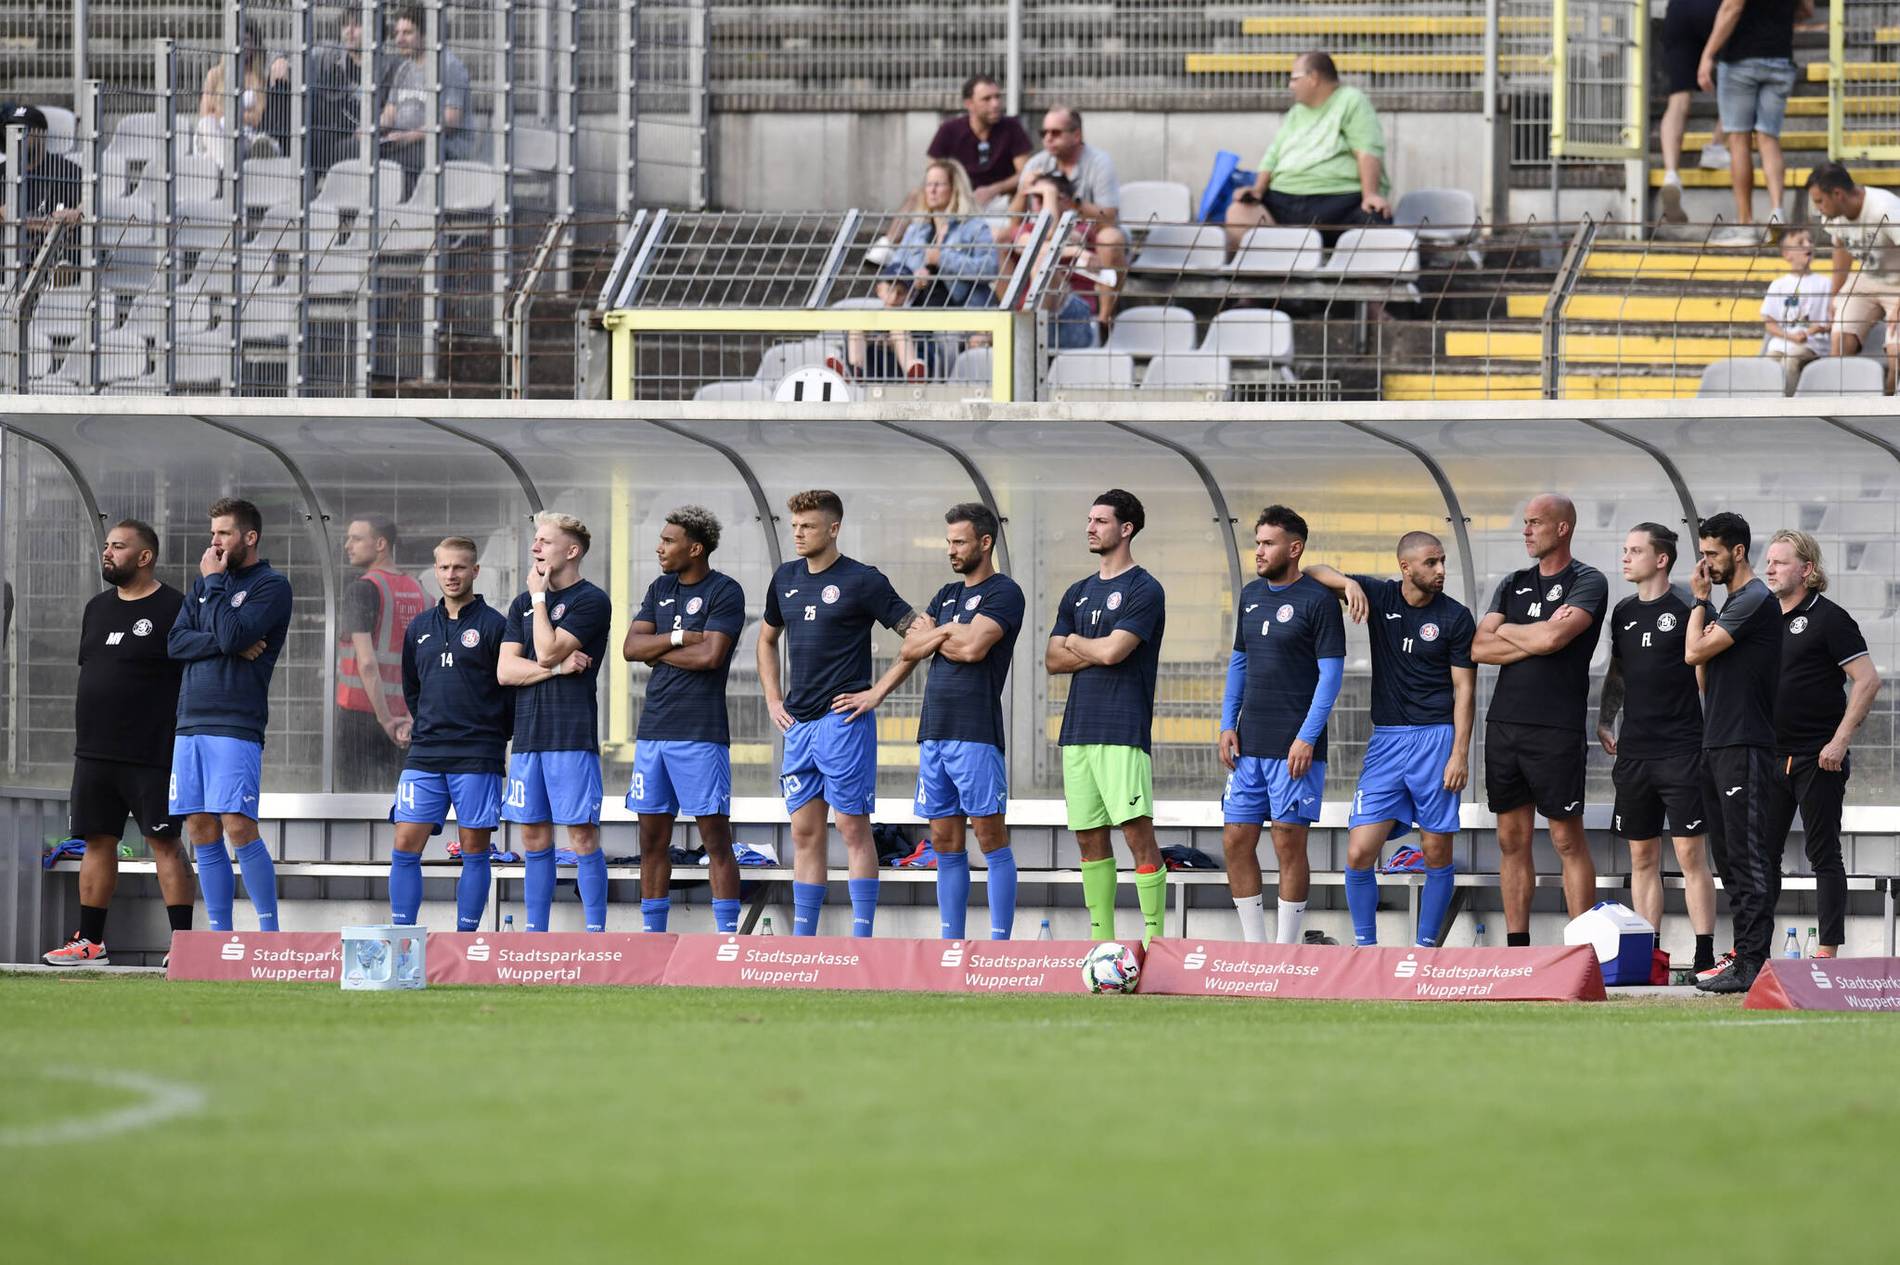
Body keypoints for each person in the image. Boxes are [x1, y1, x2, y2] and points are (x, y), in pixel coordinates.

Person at [758, 491, 927, 937]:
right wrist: (773, 699)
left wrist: (877, 692)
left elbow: (919, 634)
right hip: (798, 724)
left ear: (833, 529)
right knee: (804, 833)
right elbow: (766, 639)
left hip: (844, 722)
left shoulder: (862, 580)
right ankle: (803, 941)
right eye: (795, 526)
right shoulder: (785, 577)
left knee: (853, 828)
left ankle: (861, 939)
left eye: (808, 526)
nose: (798, 534)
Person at [1306, 533, 1476, 949]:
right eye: (1431, 562)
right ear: (1406, 567)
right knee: (1359, 852)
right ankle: (1366, 949)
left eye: (1442, 561)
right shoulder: (1380, 595)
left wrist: (1459, 754)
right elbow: (1311, 571)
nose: (1441, 570)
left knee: (1436, 852)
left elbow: (1465, 690)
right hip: (1387, 741)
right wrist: (1348, 584)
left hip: (1436, 740)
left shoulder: (1455, 616)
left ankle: (1424, 950)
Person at [44, 521, 189, 966]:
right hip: (94, 752)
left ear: (145, 557)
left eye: (119, 546)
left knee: (164, 843)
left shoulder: (175, 607)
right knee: (97, 841)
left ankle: (184, 947)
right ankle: (90, 943)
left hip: (151, 753)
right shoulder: (97, 608)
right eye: (107, 545)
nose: (107, 552)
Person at [1471, 494, 1608, 944]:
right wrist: (1536, 632)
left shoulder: (1587, 580)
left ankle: (1582, 950)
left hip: (1556, 728)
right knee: (1511, 840)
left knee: (1567, 840)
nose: (1526, 531)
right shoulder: (1513, 582)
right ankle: (1518, 948)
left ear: (1562, 528)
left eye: (1535, 523)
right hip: (1505, 725)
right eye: (1525, 522)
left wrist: (1509, 630)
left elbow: (1553, 641)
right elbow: (1478, 647)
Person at [1216, 506, 1345, 945]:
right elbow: (1239, 662)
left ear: (1294, 548)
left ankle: (1286, 948)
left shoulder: (1318, 601)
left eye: (1268, 543)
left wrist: (1307, 736)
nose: (1259, 551)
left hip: (1294, 747)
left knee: (1288, 841)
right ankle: (1256, 947)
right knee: (1236, 839)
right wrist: (1227, 724)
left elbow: (1330, 676)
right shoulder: (1250, 595)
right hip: (1248, 744)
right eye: (1257, 542)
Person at [1594, 523, 1718, 979]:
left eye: (1635, 550)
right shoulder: (1623, 611)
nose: (1625, 558)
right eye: (1625, 550)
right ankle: (1650, 955)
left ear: (1661, 559)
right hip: (1635, 753)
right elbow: (1619, 673)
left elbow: (1709, 676)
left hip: (1682, 749)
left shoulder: (1690, 606)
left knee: (1690, 857)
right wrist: (1606, 718)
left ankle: (1704, 957)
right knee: (1642, 859)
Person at [1046, 489, 1168, 946]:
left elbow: (1115, 652)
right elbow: (1052, 659)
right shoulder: (1077, 591)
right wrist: (1093, 648)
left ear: (1126, 528)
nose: (1090, 527)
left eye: (1100, 520)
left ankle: (1154, 942)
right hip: (1077, 732)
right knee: (1088, 839)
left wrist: (1077, 642)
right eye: (1089, 520)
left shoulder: (1144, 588)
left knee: (1137, 834)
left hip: (1121, 730)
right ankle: (1103, 943)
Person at [899, 502, 1025, 940]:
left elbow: (973, 649)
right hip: (934, 731)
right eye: (948, 542)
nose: (950, 550)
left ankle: (999, 943)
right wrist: (952, 630)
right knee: (943, 841)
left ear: (985, 543)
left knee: (990, 837)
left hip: (976, 733)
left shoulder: (1004, 592)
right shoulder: (946, 594)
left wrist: (939, 635)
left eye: (959, 542)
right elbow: (909, 649)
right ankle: (950, 943)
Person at [166, 497, 292, 933]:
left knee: (237, 825)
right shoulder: (203, 584)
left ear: (249, 537)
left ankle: (269, 934)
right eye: (213, 533)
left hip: (235, 722)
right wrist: (225, 642)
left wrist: (217, 590)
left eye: (223, 533)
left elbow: (234, 632)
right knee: (200, 827)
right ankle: (220, 936)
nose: (214, 542)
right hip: (190, 722)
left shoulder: (271, 586)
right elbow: (175, 643)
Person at [622, 507, 747, 934]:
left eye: (668, 540)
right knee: (651, 841)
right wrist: (677, 638)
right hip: (653, 732)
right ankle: (652, 937)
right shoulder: (660, 587)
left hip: (700, 733)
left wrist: (657, 651)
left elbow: (710, 656)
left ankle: (726, 936)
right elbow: (630, 648)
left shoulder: (724, 591)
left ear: (694, 548)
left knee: (716, 841)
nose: (659, 547)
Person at [1761, 530, 1880, 959]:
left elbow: (1868, 681)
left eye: (1780, 562)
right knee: (1762, 857)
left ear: (1807, 570)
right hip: (1769, 757)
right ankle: (1754, 951)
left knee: (1823, 854)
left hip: (1818, 758)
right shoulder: (1762, 618)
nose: (1769, 569)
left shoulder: (1830, 618)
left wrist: (1839, 741)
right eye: (1768, 561)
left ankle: (1827, 952)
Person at [388, 537, 512, 931]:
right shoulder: (420, 627)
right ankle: (404, 938)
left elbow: (509, 692)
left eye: (459, 567)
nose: (451, 575)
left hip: (477, 755)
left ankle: (465, 940)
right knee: (404, 845)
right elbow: (412, 687)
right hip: (425, 753)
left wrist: (491, 734)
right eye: (444, 567)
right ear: (435, 571)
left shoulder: (495, 625)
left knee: (474, 851)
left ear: (475, 571)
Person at [498, 511, 612, 932]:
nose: (535, 548)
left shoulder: (591, 600)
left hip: (571, 736)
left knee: (581, 835)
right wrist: (559, 670)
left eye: (545, 541)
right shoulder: (520, 604)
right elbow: (505, 672)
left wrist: (540, 600)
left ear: (572, 550)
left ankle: (596, 935)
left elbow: (545, 650)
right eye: (536, 540)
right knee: (533, 837)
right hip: (528, 737)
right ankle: (536, 934)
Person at [1684, 512, 1782, 993]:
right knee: (1727, 857)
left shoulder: (1755, 599)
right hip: (1718, 741)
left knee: (1747, 856)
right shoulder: (1730, 607)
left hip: (1745, 743)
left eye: (1712, 553)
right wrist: (1706, 613)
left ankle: (1753, 960)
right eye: (1702, 554)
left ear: (1738, 551)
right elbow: (1701, 675)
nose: (1705, 563)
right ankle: (1743, 956)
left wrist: (1700, 602)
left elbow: (1692, 653)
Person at [834, 158, 999, 381]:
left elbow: (989, 267)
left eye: (938, 184)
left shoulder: (974, 227)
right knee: (864, 324)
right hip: (915, 305)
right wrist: (911, 278)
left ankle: (905, 368)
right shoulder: (917, 229)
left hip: (954, 307)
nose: (931, 190)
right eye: (928, 184)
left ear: (955, 188)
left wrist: (943, 259)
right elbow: (896, 268)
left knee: (897, 330)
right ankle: (852, 369)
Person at [1223, 51, 1392, 254]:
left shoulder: (1351, 100)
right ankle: (1277, 265)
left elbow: (1366, 149)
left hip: (1338, 203)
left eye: (1294, 79)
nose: (1290, 86)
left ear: (1313, 78)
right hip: (1283, 202)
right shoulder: (1295, 113)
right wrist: (1257, 190)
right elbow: (1272, 156)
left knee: (1376, 220)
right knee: (1240, 212)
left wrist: (1370, 194)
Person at [1698, 0, 1809, 244]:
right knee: (1769, 138)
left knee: (1739, 139)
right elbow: (1807, 8)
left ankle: (1745, 225)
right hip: (1780, 58)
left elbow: (1732, 7)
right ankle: (1777, 211)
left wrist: (1707, 54)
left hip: (1740, 59)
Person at [1011, 107, 1127, 328]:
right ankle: (1007, 313)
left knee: (1110, 238)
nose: (1048, 138)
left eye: (1055, 132)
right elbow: (1014, 222)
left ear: (1076, 135)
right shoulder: (1037, 163)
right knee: (1002, 238)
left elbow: (1109, 217)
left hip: (1092, 229)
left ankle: (1105, 318)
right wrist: (1023, 189)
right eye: (1043, 133)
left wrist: (1068, 202)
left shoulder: (1100, 162)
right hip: (1055, 241)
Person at [337, 515, 427, 792]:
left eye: (356, 538)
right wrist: (410, 717)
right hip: (408, 719)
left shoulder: (361, 590)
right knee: (401, 797)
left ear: (380, 544)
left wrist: (385, 719)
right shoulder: (420, 591)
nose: (348, 545)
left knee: (353, 801)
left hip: (362, 717)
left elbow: (367, 663)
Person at [1807, 162, 1900, 386]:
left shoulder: (1885, 208)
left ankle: (1888, 399)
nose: (1818, 208)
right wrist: (1835, 294)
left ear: (1837, 194)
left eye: (1819, 201)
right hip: (1866, 277)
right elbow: (1841, 248)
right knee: (1840, 343)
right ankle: (1841, 400)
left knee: (1896, 355)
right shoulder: (1833, 215)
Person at [377, 5, 474, 196]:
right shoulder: (404, 68)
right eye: (397, 33)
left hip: (443, 148)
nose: (399, 40)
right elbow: (389, 114)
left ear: (426, 35)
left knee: (400, 160)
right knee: (354, 150)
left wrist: (408, 137)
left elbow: (450, 121)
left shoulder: (448, 66)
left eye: (407, 33)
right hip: (403, 144)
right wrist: (371, 131)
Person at [1007, 174, 1110, 350]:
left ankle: (1028, 330)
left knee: (1042, 260)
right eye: (1036, 197)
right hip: (1036, 316)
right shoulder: (1026, 229)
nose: (1038, 204)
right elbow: (1027, 246)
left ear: (1066, 202)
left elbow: (1052, 236)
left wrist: (1049, 192)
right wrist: (1074, 251)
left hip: (1074, 315)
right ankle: (1030, 328)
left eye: (1045, 198)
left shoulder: (1081, 228)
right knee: (1041, 257)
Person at [1658, 0, 1733, 224]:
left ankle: (1671, 173)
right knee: (1738, 83)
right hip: (1715, 9)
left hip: (1678, 11)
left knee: (1678, 98)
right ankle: (1716, 147)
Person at [927, 75, 1033, 211]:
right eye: (987, 99)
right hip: (958, 200)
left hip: (1003, 200)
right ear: (969, 104)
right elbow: (933, 173)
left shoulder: (1012, 127)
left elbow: (1025, 173)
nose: (995, 104)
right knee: (914, 196)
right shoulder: (949, 130)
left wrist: (994, 190)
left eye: (997, 97)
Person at [195, 20, 290, 163]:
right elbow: (205, 113)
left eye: (246, 40)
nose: (241, 45)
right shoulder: (215, 74)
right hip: (217, 132)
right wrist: (240, 116)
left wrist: (225, 113)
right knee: (206, 124)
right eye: (238, 40)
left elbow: (258, 118)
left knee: (257, 140)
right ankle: (228, 166)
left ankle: (233, 163)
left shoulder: (259, 77)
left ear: (254, 45)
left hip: (244, 135)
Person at [1, 105, 82, 269]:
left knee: (74, 236)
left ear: (42, 133)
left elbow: (85, 209)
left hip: (52, 246)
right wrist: (44, 223)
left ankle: (59, 273)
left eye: (24, 130)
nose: (16, 136)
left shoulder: (68, 170)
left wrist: (75, 214)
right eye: (11, 130)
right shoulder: (2, 171)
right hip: (10, 250)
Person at [1760, 227, 1832, 391]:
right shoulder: (1778, 285)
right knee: (1768, 364)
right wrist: (1791, 336)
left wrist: (1813, 330)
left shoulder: (1825, 283)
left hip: (1813, 345)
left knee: (1791, 361)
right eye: (1800, 243)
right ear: (1787, 254)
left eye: (1810, 241)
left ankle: (1787, 402)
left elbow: (1832, 321)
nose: (1808, 245)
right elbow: (1769, 323)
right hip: (1781, 344)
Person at [309, 9, 365, 183]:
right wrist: (278, 60)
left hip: (360, 137)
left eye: (357, 25)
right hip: (332, 131)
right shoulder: (329, 56)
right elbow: (296, 54)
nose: (349, 31)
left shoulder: (385, 66)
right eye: (345, 25)